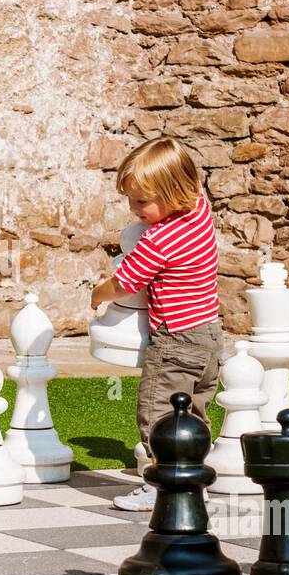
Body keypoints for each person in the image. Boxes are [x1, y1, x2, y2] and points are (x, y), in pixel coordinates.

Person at [90, 136, 223, 512]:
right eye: (130, 198)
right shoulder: (199, 210)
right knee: (193, 413)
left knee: (158, 413)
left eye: (141, 201)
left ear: (174, 191)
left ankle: (161, 483)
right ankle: (193, 480)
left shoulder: (160, 239)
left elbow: (124, 284)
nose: (133, 209)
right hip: (210, 336)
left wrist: (97, 295)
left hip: (176, 338)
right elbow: (195, 181)